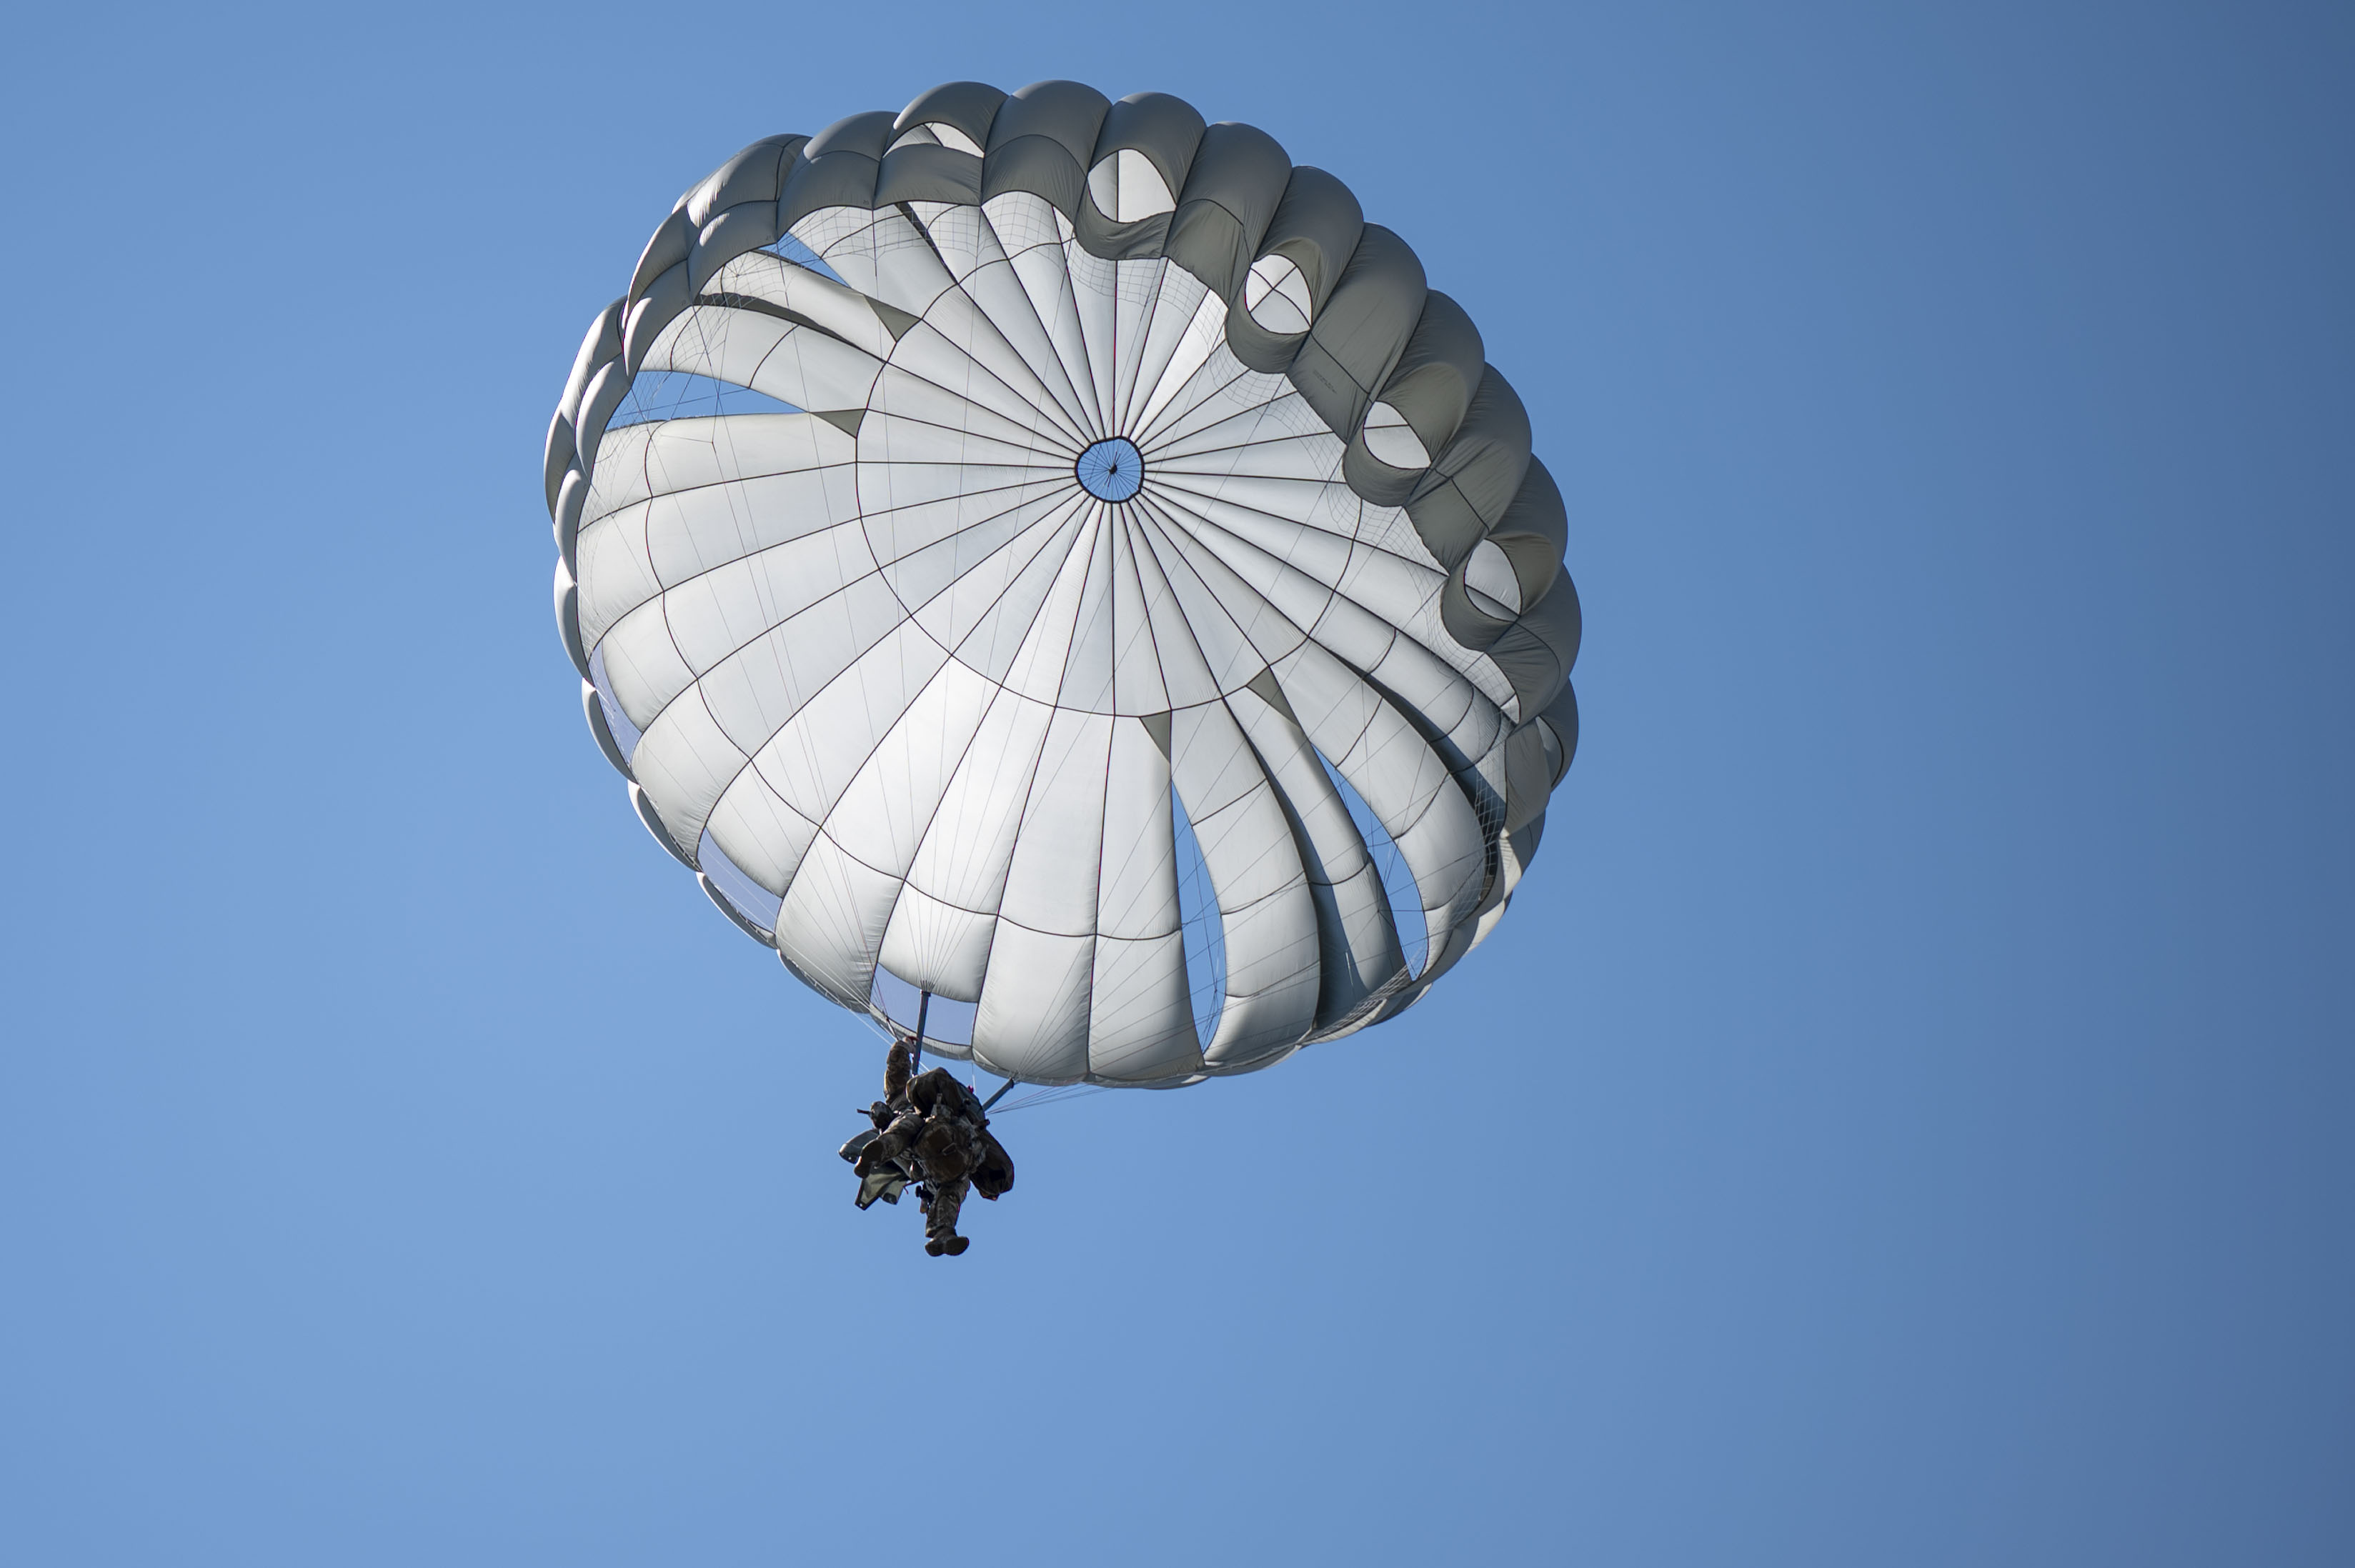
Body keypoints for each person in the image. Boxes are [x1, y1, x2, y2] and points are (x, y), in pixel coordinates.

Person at [840, 1039, 1015, 1256]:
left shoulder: (898, 1095)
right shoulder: (967, 1118)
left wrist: (904, 1046)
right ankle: (942, 1230)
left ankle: (878, 1152)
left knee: (904, 1129)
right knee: (955, 1185)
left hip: (917, 1150)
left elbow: (896, 1066)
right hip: (943, 1147)